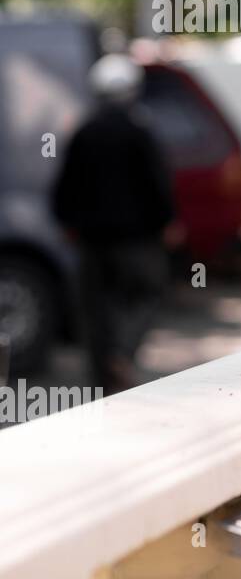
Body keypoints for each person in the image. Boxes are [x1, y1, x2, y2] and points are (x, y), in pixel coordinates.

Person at [52, 53, 178, 394]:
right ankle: (122, 354)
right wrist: (167, 222)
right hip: (137, 242)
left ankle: (101, 383)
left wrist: (68, 223)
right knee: (147, 293)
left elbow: (63, 189)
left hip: (92, 243)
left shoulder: (83, 133)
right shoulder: (140, 132)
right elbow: (158, 184)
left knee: (95, 313)